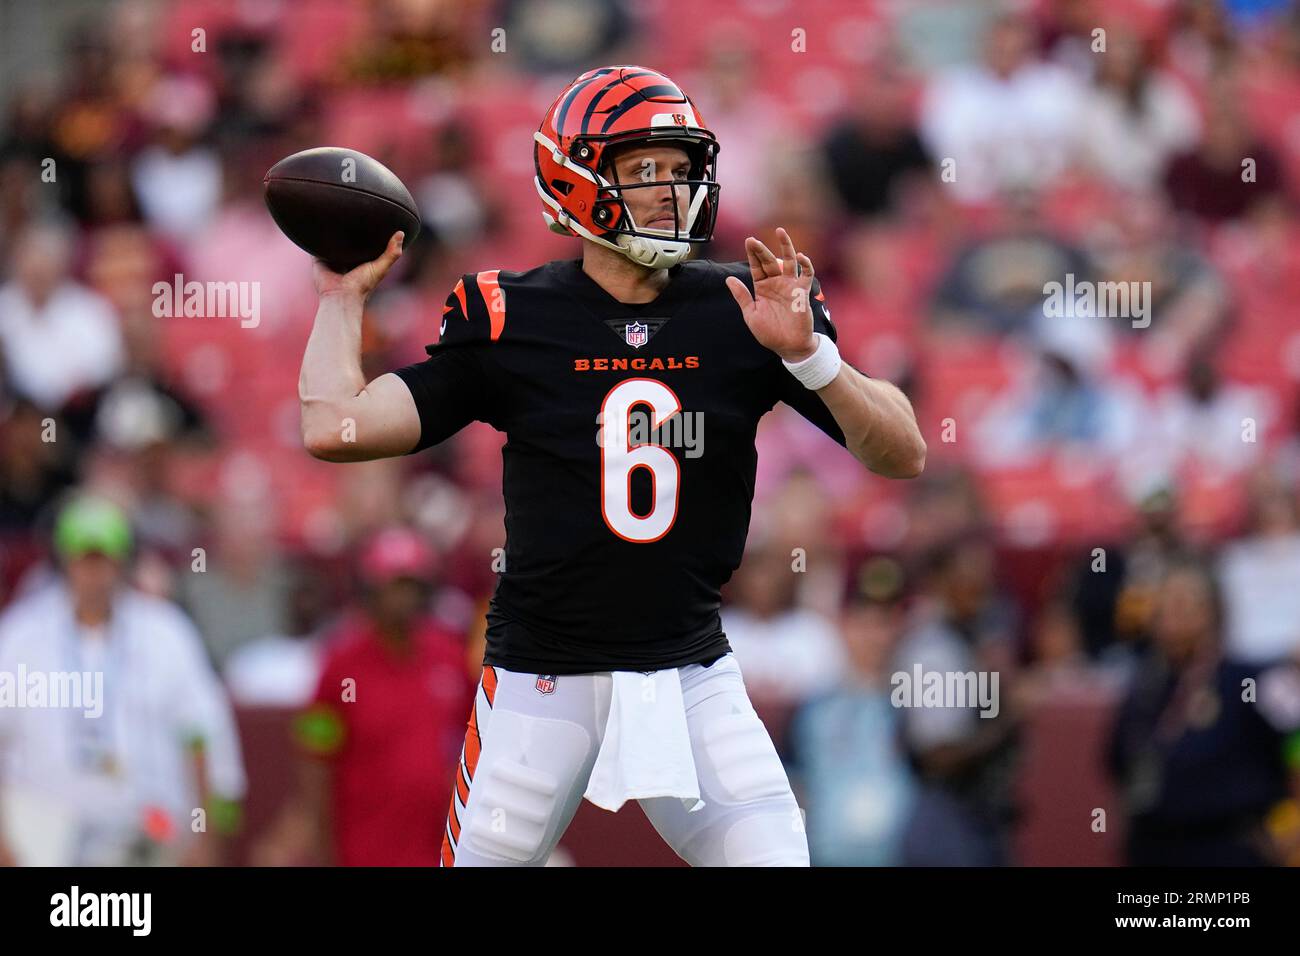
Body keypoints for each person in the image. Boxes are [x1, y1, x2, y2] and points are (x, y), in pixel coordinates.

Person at [296, 65, 926, 867]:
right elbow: (337, 427)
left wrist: (809, 358)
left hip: (689, 670)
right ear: (577, 179)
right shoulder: (512, 315)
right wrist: (342, 298)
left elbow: (903, 451)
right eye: (643, 170)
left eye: (678, 167)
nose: (670, 189)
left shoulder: (743, 308)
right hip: (540, 680)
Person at [0, 495, 245, 866]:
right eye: (84, 558)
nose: (94, 572)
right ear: (62, 560)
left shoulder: (165, 632)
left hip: (147, 832)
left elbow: (204, 735)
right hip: (42, 840)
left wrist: (206, 836)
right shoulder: (21, 635)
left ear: (124, 561)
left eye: (105, 558)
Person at [252, 527, 473, 866]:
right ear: (371, 590)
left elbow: (472, 743)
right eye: (392, 587)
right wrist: (322, 841)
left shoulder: (450, 658)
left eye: (410, 586)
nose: (402, 599)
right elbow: (314, 755)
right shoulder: (340, 663)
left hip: (438, 849)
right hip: (364, 848)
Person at [1107, 557, 1300, 865]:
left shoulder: (1249, 681)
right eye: (1164, 606)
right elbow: (1116, 761)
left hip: (1229, 848)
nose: (1171, 617)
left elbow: (1295, 736)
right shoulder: (1145, 688)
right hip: (1153, 848)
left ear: (1213, 613)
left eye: (1183, 604)